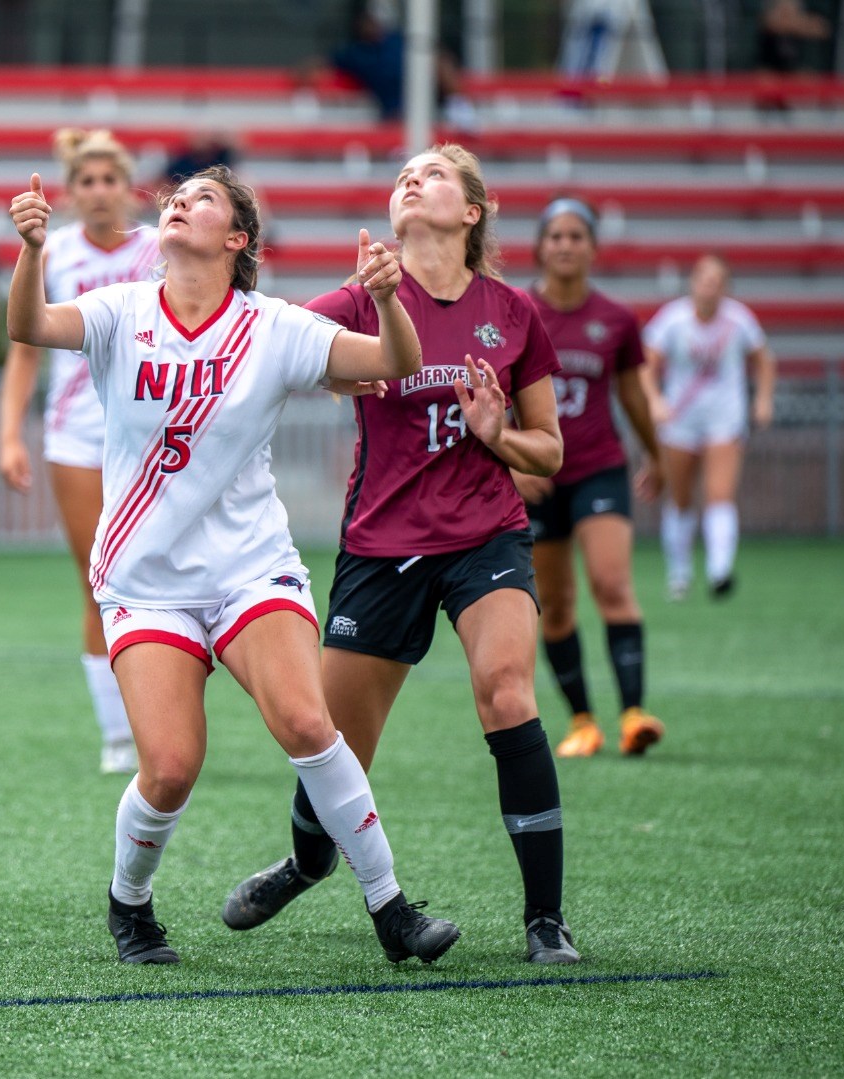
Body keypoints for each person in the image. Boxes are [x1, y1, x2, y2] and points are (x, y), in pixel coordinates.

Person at [7, 166, 458, 967]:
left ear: (238, 239)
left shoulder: (273, 326)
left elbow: (396, 359)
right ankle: (131, 902)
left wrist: (389, 295)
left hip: (251, 570)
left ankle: (391, 908)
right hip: (146, 581)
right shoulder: (121, 310)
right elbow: (31, 325)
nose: (179, 201)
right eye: (175, 195)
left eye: (203, 198)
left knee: (310, 723)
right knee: (173, 768)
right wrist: (32, 248)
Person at [221, 144, 581, 966]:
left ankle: (545, 919)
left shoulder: (512, 311)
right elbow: (265, 349)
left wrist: (500, 436)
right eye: (402, 176)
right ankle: (307, 862)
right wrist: (333, 370)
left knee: (506, 691)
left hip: (485, 536)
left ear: (471, 212)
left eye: (434, 175)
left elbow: (550, 453)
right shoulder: (358, 300)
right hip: (382, 548)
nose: (410, 180)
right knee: (332, 738)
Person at [0, 129, 160, 775]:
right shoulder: (54, 252)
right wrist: (9, 432)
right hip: (77, 438)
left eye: (109, 180)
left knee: (160, 580)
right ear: (71, 192)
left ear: (126, 187)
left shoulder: (158, 248)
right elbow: (24, 348)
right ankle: (119, 735)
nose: (98, 192)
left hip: (152, 434)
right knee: (100, 582)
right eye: (86, 181)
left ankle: (161, 718)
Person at [515, 197, 663, 758]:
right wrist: (511, 463)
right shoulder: (517, 309)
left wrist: (656, 455)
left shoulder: (618, 319)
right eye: (556, 236)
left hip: (600, 468)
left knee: (611, 584)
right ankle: (583, 722)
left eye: (577, 236)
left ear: (594, 248)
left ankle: (633, 714)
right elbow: (492, 393)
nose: (566, 245)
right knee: (554, 603)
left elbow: (632, 394)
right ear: (540, 247)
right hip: (539, 476)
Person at [643, 255, 775, 602]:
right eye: (704, 280)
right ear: (693, 283)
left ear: (726, 288)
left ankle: (720, 571)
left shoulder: (739, 320)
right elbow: (646, 365)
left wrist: (763, 399)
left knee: (719, 494)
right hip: (680, 419)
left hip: (724, 419)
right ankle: (679, 573)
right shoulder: (673, 319)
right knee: (681, 498)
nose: (709, 288)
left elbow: (763, 360)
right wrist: (655, 399)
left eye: (717, 282)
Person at [756, 0, 830, 76]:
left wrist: (791, 25)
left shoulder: (801, 5)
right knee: (764, 78)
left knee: (810, 79)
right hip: (770, 65)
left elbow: (822, 29)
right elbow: (769, 23)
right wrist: (799, 25)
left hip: (797, 66)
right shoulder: (770, 6)